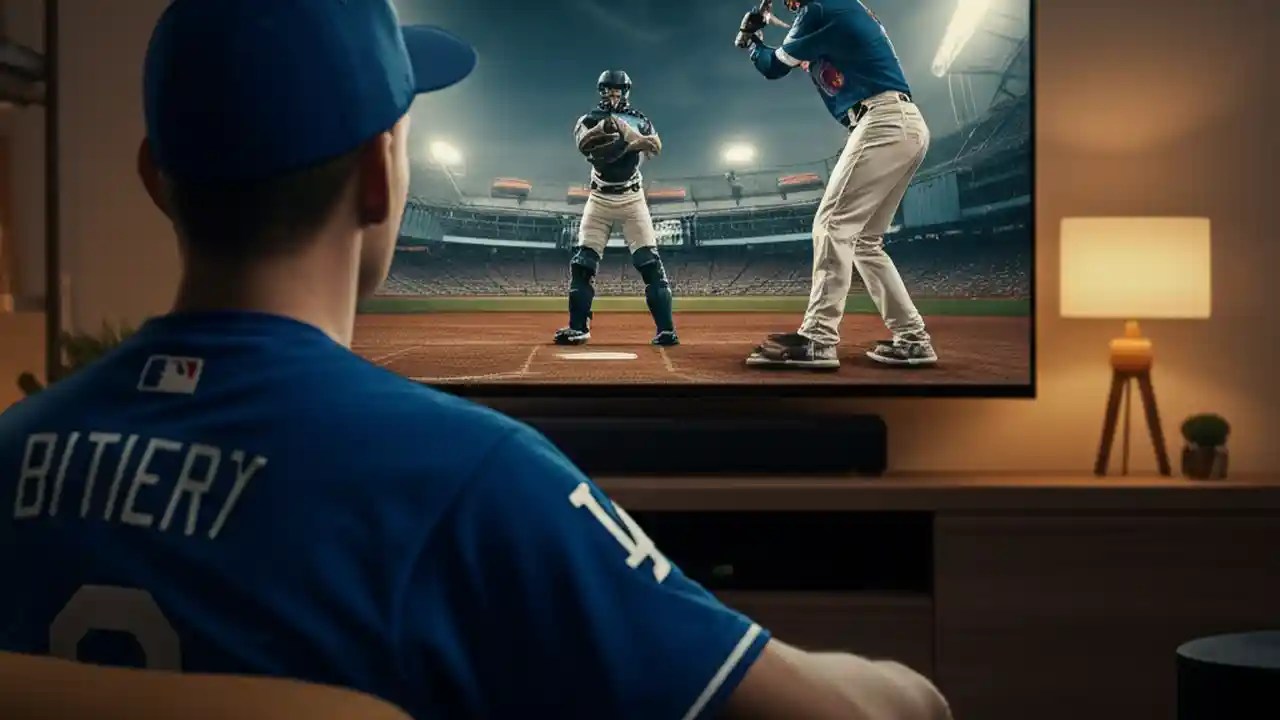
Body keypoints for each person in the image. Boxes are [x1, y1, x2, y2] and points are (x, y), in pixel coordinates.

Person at [0, 1, 949, 718]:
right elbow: (844, 711)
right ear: (381, 178)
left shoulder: (11, 449)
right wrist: (912, 686)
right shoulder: (475, 482)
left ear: (156, 181)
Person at [740, 0, 939, 370]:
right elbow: (799, 54)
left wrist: (751, 39)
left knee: (832, 226)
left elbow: (772, 67)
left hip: (881, 120)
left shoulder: (819, 6)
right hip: (902, 123)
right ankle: (913, 339)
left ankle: (818, 338)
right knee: (865, 242)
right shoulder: (836, 9)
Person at [554, 70, 679, 348]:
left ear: (626, 91)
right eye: (608, 89)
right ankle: (578, 328)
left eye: (617, 89)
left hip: (632, 200)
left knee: (650, 265)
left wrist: (627, 135)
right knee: (582, 265)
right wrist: (606, 130)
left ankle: (666, 330)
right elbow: (583, 145)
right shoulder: (588, 120)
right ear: (601, 91)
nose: (613, 94)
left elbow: (655, 146)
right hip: (598, 199)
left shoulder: (639, 119)